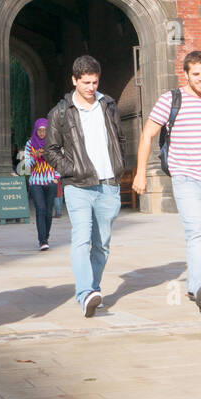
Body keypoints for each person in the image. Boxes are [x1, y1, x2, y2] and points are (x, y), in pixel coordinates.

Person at [132, 50, 201, 314]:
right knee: (196, 233)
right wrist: (140, 172)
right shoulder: (171, 99)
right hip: (186, 178)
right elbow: (147, 134)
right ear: (186, 74)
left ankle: (194, 285)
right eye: (197, 75)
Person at [43, 55, 125, 317]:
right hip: (78, 186)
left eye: (95, 82)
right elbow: (51, 150)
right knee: (81, 239)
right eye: (86, 82)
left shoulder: (108, 105)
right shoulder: (60, 112)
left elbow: (120, 139)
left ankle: (93, 289)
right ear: (74, 80)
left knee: (102, 245)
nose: (91, 87)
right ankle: (85, 293)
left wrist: (119, 166)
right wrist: (73, 170)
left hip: (108, 185)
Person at [23, 118, 59, 250]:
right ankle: (42, 240)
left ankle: (46, 236)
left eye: (45, 130)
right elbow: (26, 166)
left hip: (51, 181)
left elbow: (60, 162)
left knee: (49, 212)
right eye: (40, 130)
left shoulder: (53, 144)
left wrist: (56, 177)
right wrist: (36, 156)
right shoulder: (29, 144)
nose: (42, 133)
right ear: (36, 130)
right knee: (41, 209)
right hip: (36, 181)